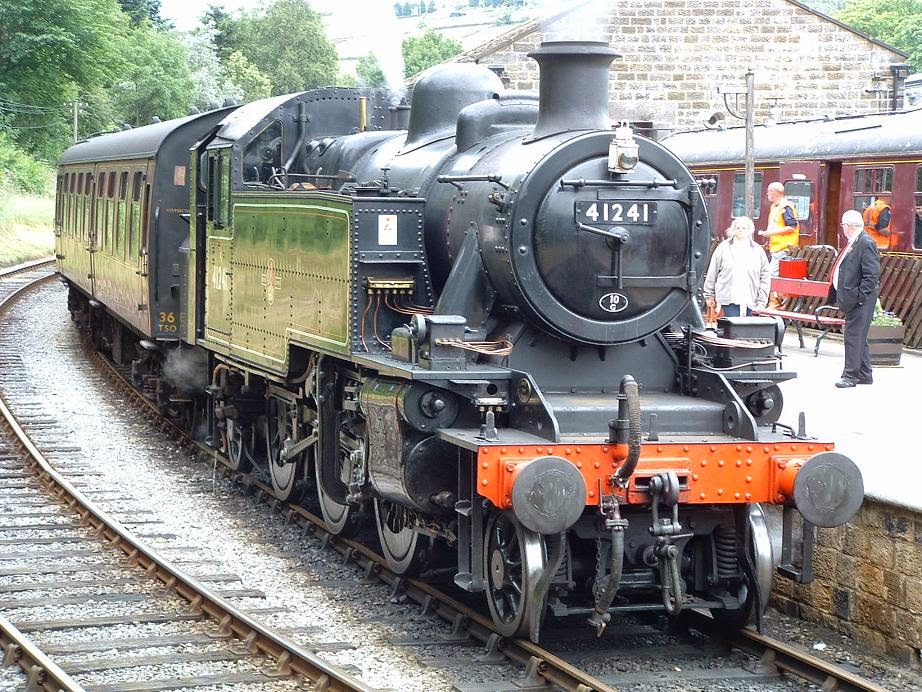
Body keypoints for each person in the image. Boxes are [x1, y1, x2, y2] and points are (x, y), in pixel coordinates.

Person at [827, 209, 881, 388]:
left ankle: (849, 376)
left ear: (848, 226)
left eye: (843, 225)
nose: (842, 228)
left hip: (860, 300)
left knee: (853, 336)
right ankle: (865, 375)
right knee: (858, 336)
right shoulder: (855, 241)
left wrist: (859, 297)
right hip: (854, 298)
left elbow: (871, 275)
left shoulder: (865, 242)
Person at [703, 216, 771, 318]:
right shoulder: (722, 248)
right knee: (730, 329)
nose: (740, 230)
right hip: (727, 298)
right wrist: (709, 295)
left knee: (747, 331)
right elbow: (712, 272)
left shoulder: (758, 250)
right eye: (738, 228)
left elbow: (765, 276)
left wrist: (762, 301)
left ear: (749, 230)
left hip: (751, 298)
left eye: (744, 228)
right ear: (733, 230)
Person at [758, 182, 800, 276]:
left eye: (769, 191)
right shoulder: (774, 207)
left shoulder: (785, 207)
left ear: (774, 192)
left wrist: (770, 233)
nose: (767, 193)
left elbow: (792, 226)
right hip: (777, 248)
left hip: (784, 248)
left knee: (770, 276)